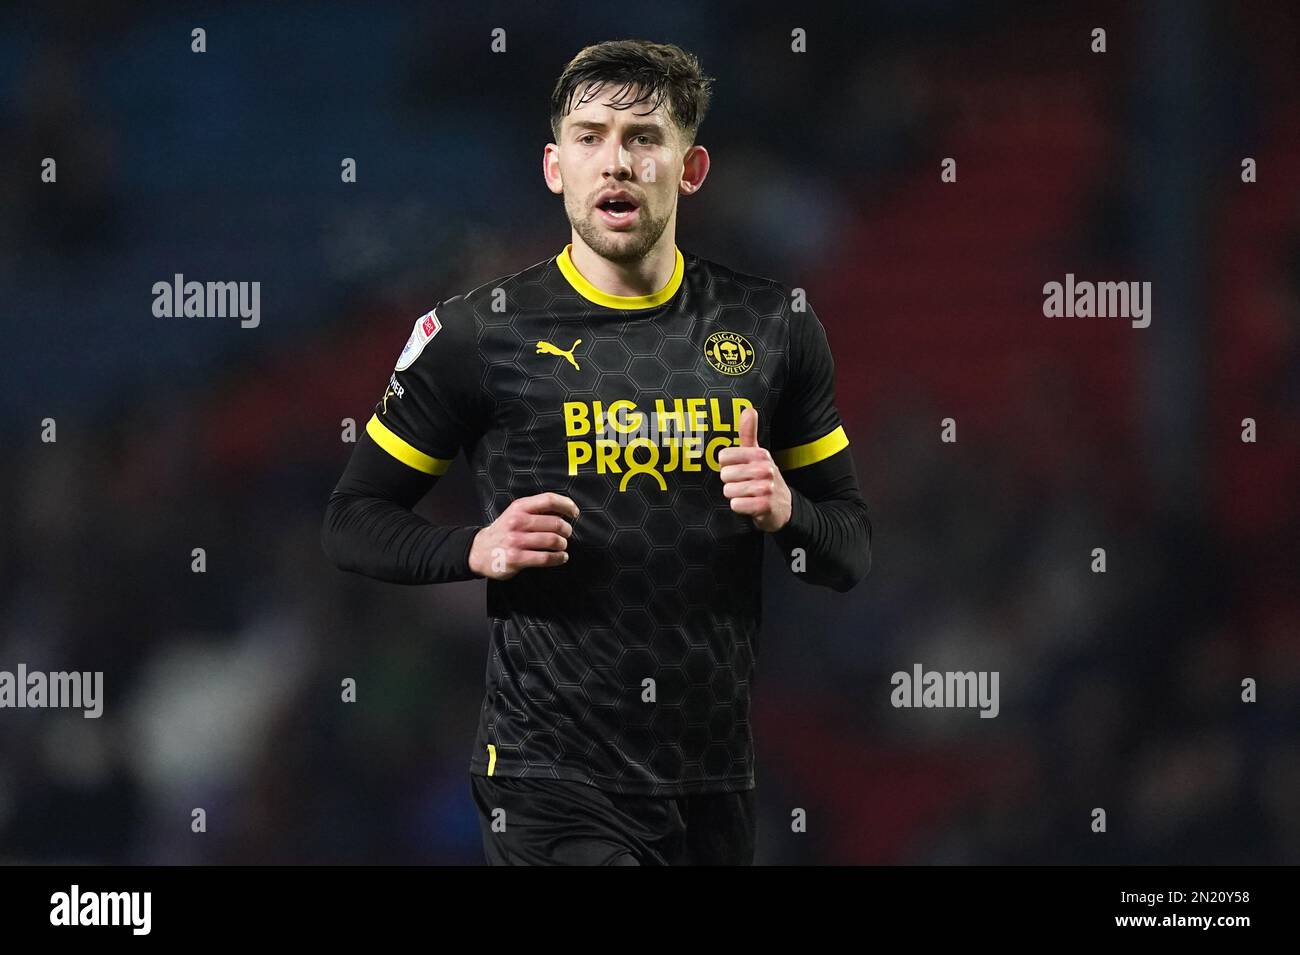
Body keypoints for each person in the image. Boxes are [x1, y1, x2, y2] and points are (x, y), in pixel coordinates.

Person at [322, 38, 872, 865]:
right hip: (549, 777)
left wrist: (788, 511)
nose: (615, 162)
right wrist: (473, 547)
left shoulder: (772, 328)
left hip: (712, 782)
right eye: (590, 137)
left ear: (690, 168)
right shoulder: (477, 334)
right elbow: (352, 519)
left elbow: (850, 551)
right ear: (554, 167)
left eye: (644, 138)